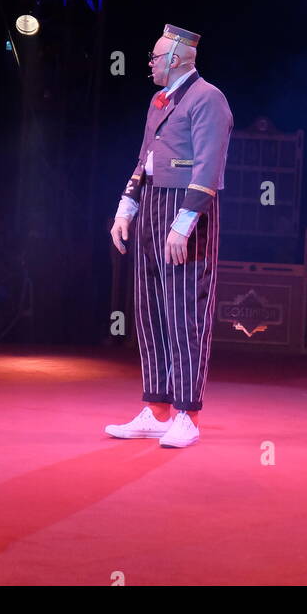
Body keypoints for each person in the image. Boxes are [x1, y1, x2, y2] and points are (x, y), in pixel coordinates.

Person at [105, 24, 233, 448]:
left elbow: (208, 167)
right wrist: (127, 205)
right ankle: (158, 409)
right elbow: (145, 159)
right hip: (153, 208)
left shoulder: (207, 98)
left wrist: (184, 221)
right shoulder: (158, 101)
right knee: (150, 311)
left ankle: (187, 413)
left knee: (184, 313)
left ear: (176, 59)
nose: (150, 63)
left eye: (156, 57)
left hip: (185, 211)